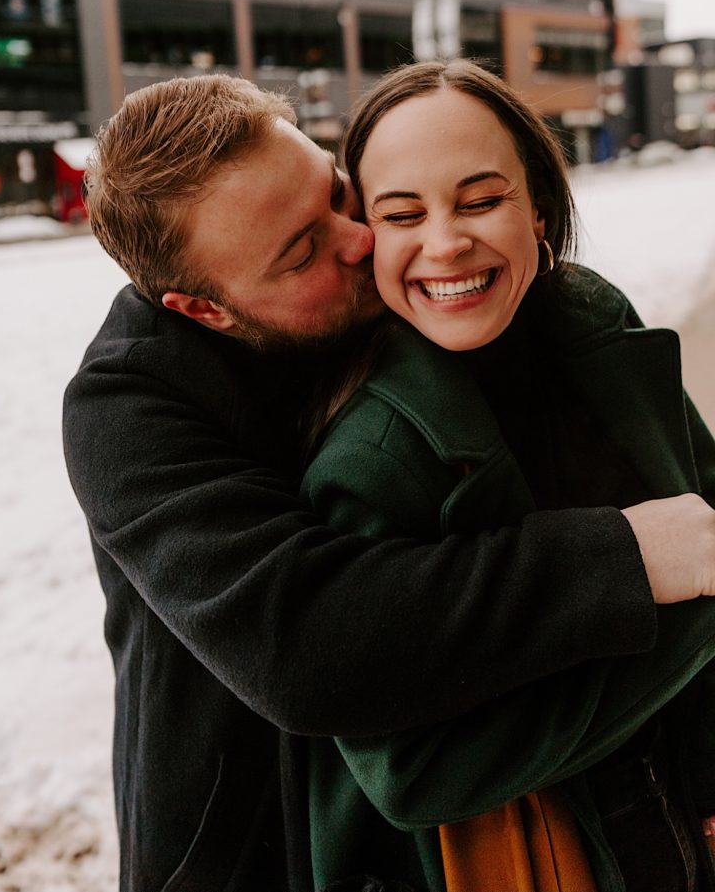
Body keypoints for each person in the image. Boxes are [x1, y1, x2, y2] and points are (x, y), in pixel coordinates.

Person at [63, 72, 715, 892]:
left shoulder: (458, 312)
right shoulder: (126, 412)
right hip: (240, 843)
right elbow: (305, 642)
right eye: (304, 250)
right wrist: (627, 559)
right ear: (204, 309)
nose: (361, 238)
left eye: (338, 193)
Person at [300, 59, 715, 891]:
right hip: (538, 860)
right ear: (364, 236)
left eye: (481, 199)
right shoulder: (370, 452)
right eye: (403, 213)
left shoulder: (595, 324)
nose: (446, 240)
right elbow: (412, 769)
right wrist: (694, 625)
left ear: (539, 205)